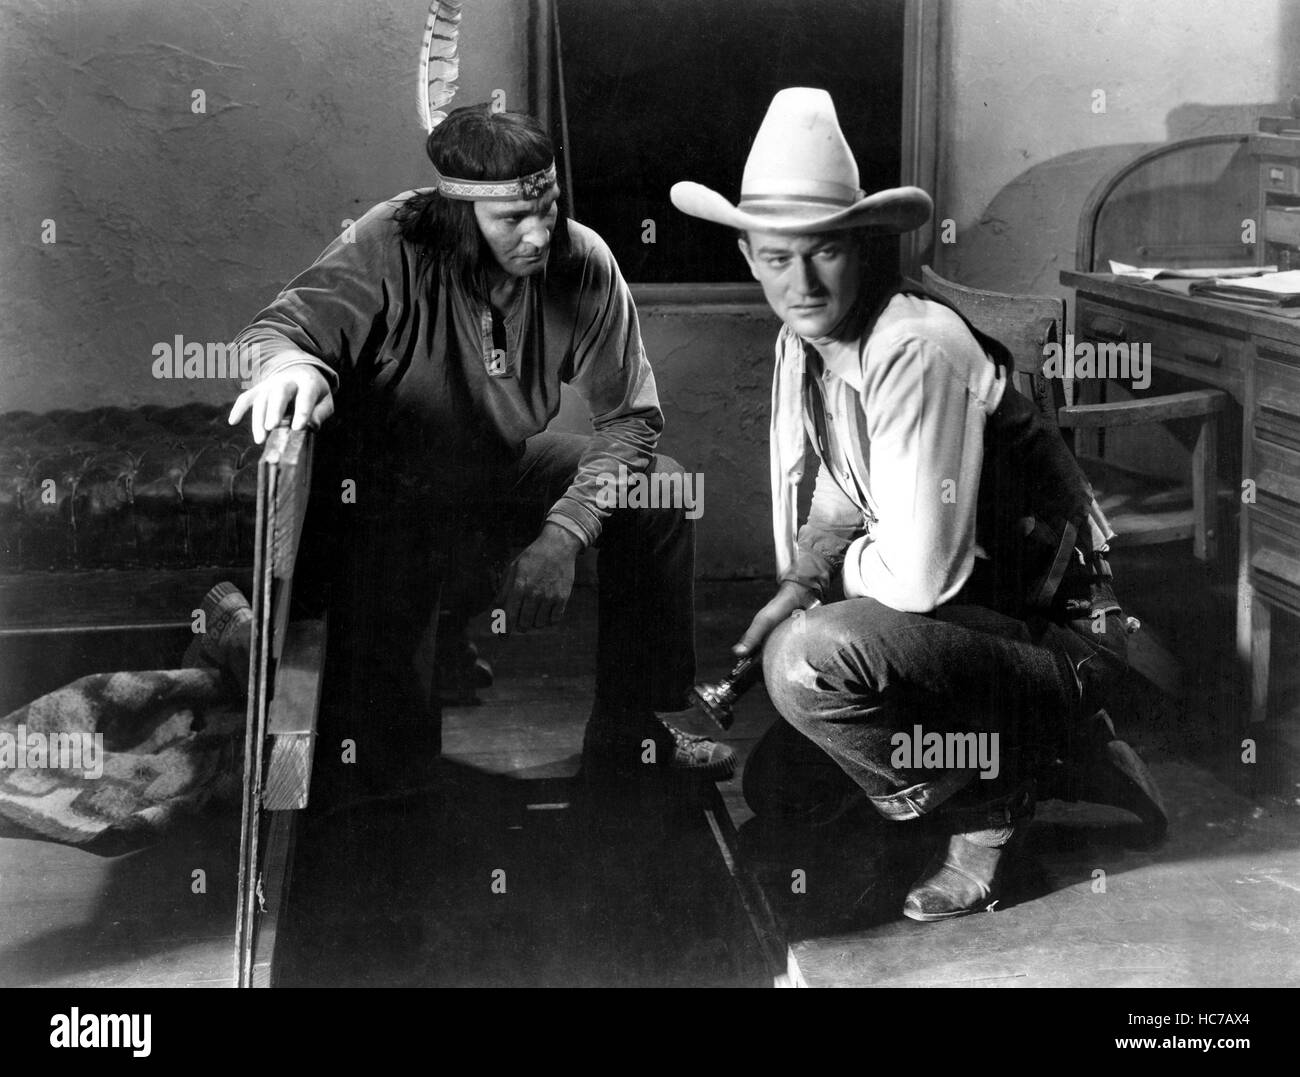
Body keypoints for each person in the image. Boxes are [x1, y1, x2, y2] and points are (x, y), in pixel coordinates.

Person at [671, 88, 1165, 920]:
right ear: (749, 254)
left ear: (863, 245)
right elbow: (840, 493)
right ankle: (1062, 754)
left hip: (1057, 636)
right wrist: (799, 583)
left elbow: (919, 578)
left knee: (808, 664)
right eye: (772, 255)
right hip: (974, 631)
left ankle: (991, 807)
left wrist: (808, 618)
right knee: (780, 785)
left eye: (822, 251)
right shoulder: (814, 341)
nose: (797, 280)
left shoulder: (913, 350)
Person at [227, 105, 734, 797]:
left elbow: (632, 422)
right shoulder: (390, 239)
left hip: (496, 474)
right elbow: (278, 329)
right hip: (380, 508)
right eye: (512, 220)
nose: (538, 234)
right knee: (387, 774)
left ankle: (628, 732)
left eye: (547, 209)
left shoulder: (581, 261)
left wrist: (563, 533)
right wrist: (293, 366)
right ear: (462, 214)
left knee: (661, 488)